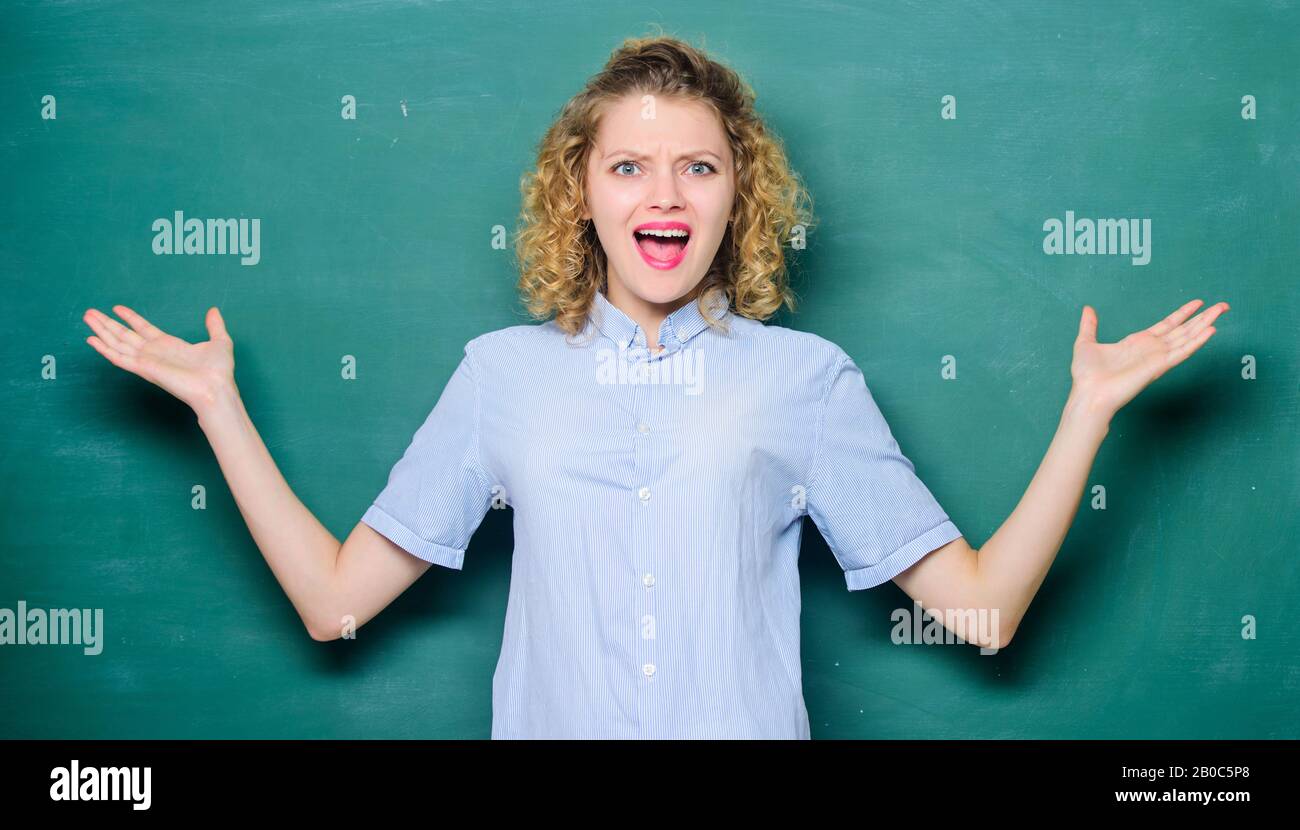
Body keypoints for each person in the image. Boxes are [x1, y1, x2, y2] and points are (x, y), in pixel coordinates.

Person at [82, 34, 1228, 739]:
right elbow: (334, 602)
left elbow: (980, 614)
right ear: (579, 192)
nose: (663, 193)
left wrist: (1086, 412)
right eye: (628, 165)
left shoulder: (806, 381)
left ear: (741, 194)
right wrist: (219, 408)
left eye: (698, 164)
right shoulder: (500, 376)